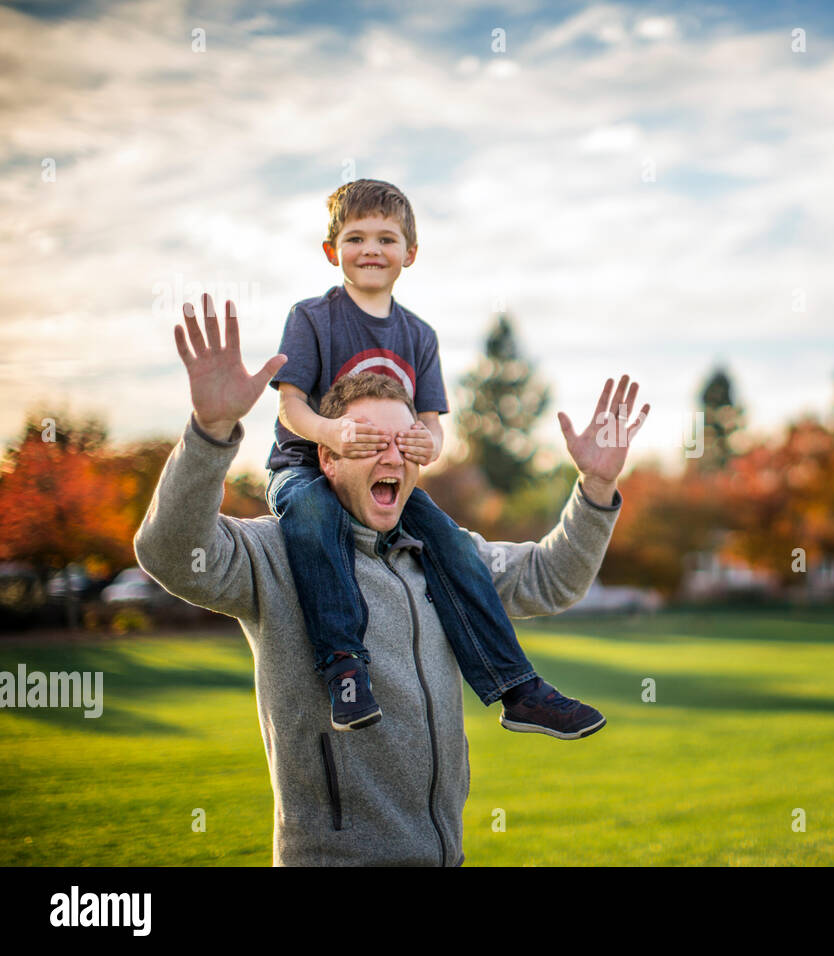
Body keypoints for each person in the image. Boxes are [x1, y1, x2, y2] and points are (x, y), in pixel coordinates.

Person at [134, 293, 648, 864]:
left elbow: (553, 581)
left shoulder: (445, 559)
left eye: (404, 443)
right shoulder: (275, 556)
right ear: (327, 457)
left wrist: (596, 489)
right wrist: (210, 431)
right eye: (371, 442)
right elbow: (171, 553)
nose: (392, 457)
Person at [267, 178, 643, 737]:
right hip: (304, 469)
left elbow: (433, 429)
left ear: (410, 254)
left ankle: (515, 687)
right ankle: (344, 666)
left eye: (387, 239)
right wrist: (331, 434)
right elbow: (289, 407)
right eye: (356, 238)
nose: (371, 250)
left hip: (384, 471)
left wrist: (425, 446)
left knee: (449, 544)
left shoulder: (419, 335)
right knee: (315, 516)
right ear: (331, 251)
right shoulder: (312, 318)